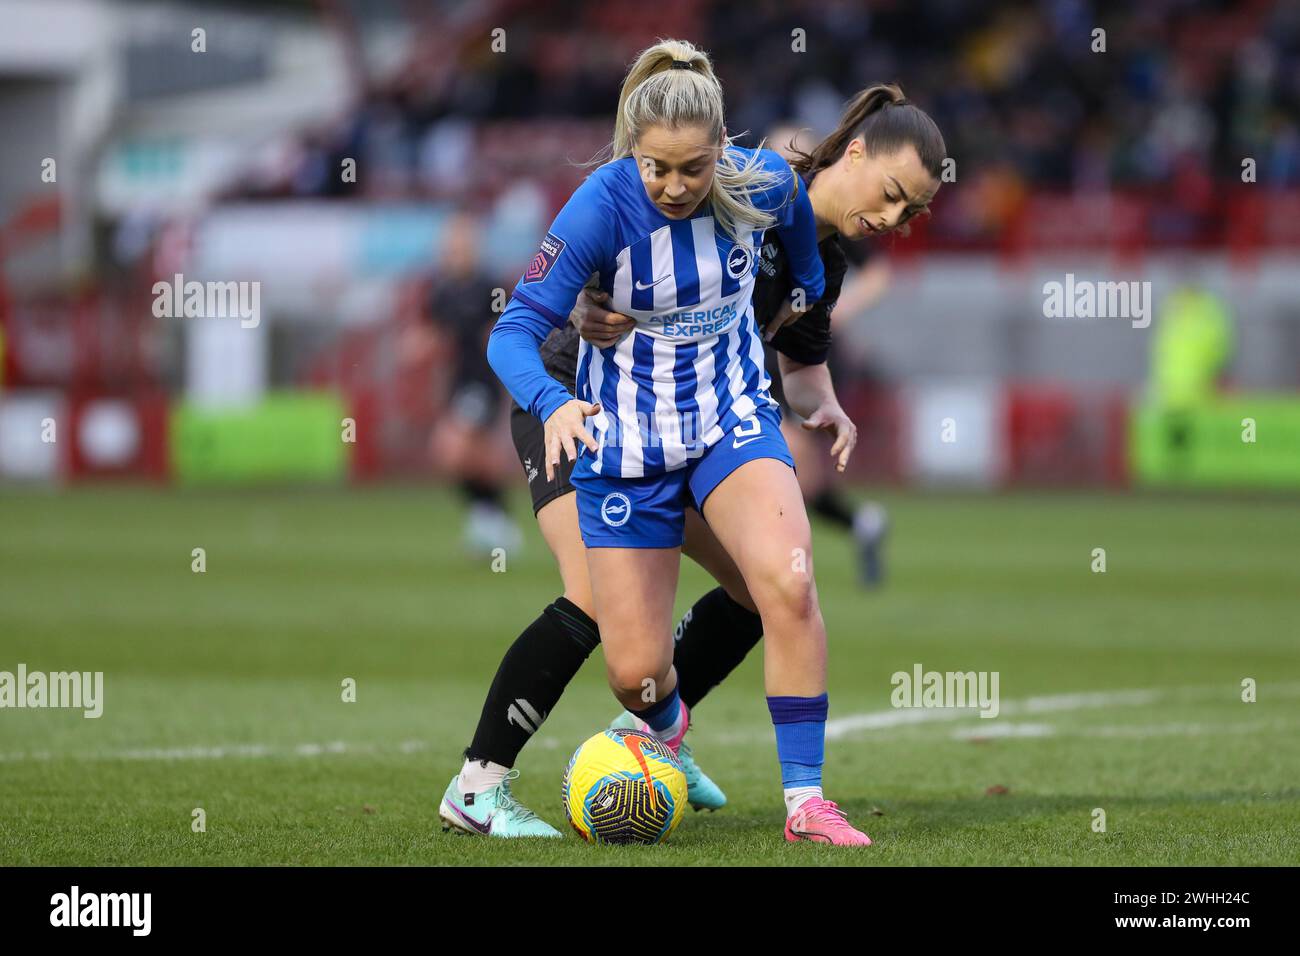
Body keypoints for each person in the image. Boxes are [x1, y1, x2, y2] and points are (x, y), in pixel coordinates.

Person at [442, 52, 944, 843]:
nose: (895, 219)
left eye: (912, 212)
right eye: (892, 195)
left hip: (709, 423)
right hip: (579, 395)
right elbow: (539, 310)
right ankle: (480, 783)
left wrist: (826, 405)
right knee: (596, 605)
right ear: (854, 155)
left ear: (721, 154)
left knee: (768, 584)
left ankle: (672, 745)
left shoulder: (802, 238)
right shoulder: (642, 200)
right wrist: (584, 317)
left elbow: (800, 357)